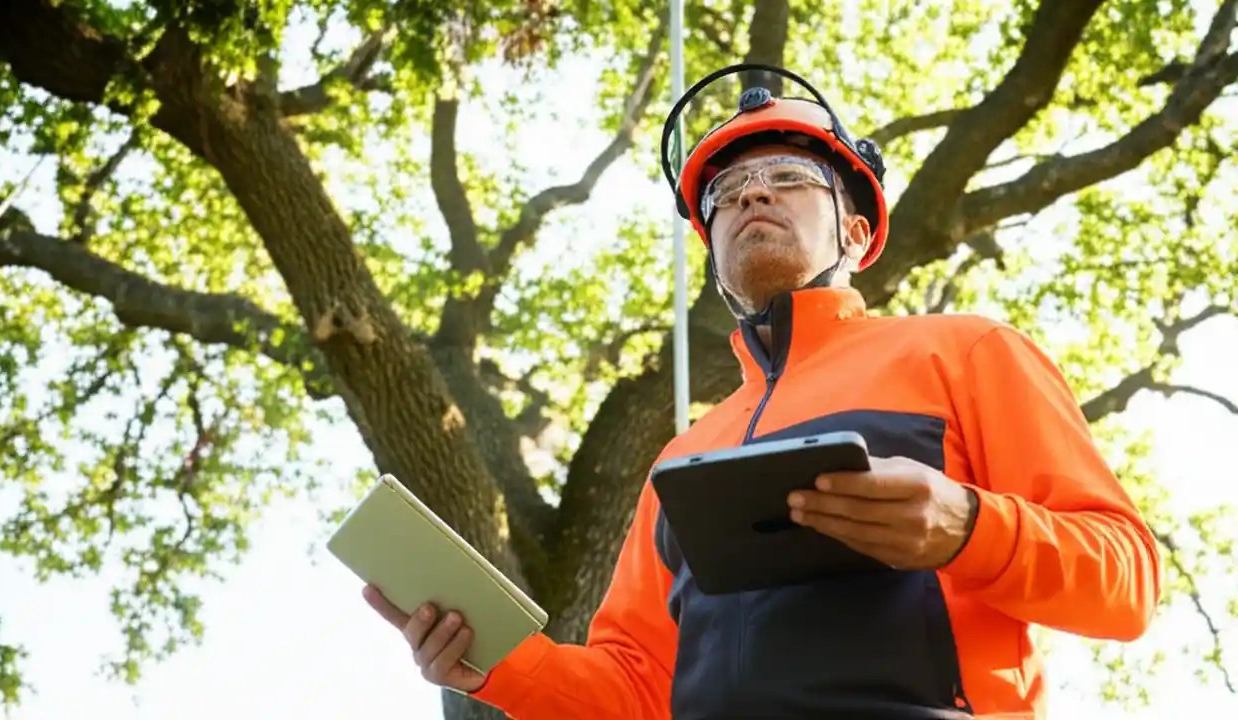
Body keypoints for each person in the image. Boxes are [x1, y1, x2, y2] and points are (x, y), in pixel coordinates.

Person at [362, 65, 1163, 719]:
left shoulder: (966, 351)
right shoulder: (681, 454)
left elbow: (1126, 582)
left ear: (856, 231)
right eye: (725, 193)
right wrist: (499, 662)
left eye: (787, 176)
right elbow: (637, 692)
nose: (749, 195)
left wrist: (969, 526)